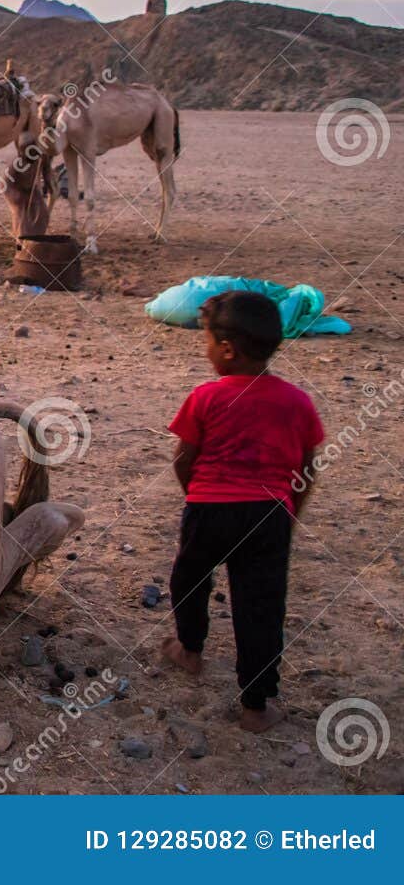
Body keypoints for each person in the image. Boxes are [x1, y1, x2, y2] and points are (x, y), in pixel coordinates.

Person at [161, 290, 324, 732]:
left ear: (228, 349)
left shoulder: (205, 397)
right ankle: (256, 705)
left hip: (209, 511)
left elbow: (183, 458)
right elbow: (307, 468)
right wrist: (289, 513)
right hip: (269, 515)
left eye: (208, 343)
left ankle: (189, 649)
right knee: (260, 607)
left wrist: (197, 496)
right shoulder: (296, 401)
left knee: (189, 580)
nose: (207, 351)